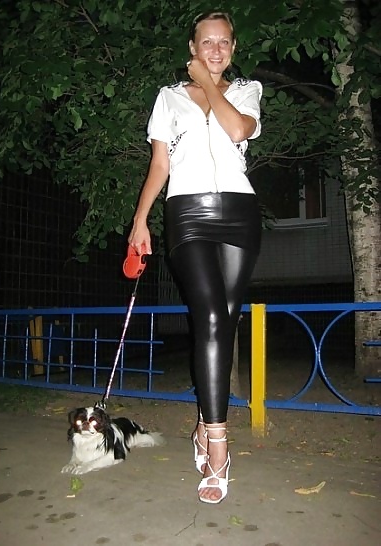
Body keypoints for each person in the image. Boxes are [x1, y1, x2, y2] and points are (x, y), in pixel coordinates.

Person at [128, 10, 262, 504]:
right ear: (193, 46)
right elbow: (160, 164)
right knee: (207, 315)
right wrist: (140, 220)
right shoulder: (168, 98)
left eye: (224, 42)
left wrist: (207, 83)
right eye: (207, 42)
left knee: (224, 321)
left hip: (240, 214)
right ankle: (220, 444)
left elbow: (238, 131)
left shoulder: (246, 90)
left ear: (233, 48)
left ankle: (205, 425)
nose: (216, 49)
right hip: (187, 214)